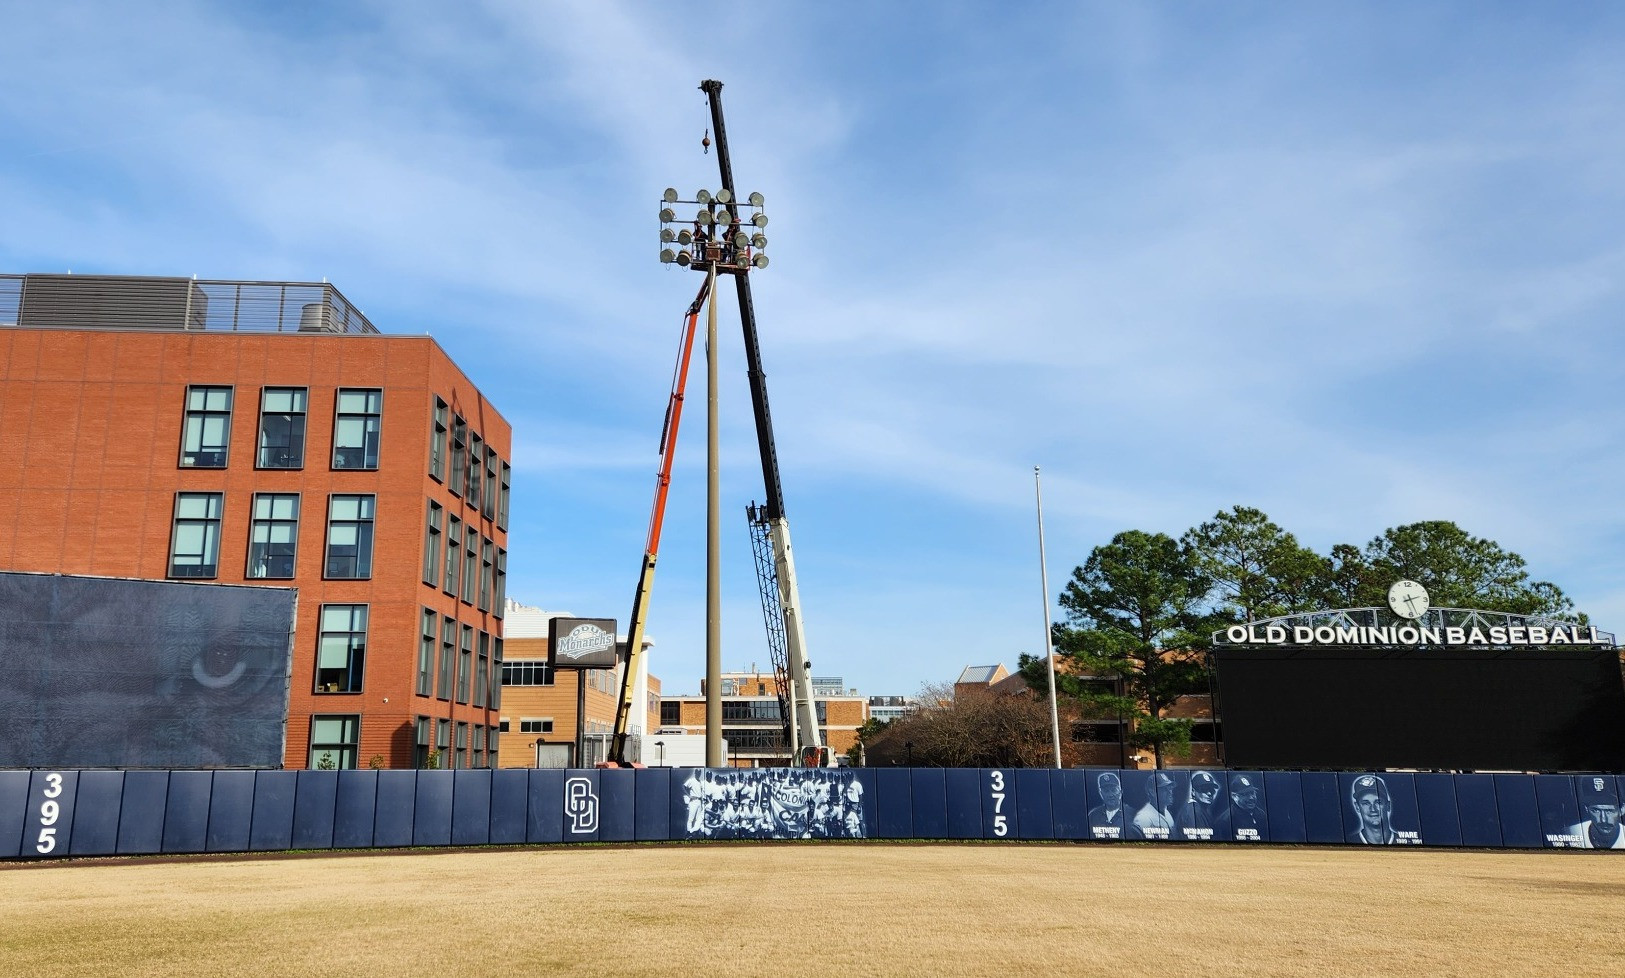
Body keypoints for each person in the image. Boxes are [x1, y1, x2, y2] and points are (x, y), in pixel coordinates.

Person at [1564, 777, 1624, 849]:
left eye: (1609, 811)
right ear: (1587, 809)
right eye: (1596, 811)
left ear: (1622, 809)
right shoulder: (1572, 831)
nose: (1603, 819)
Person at [1178, 770, 1230, 840]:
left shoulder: (1198, 809)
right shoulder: (1194, 811)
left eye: (1212, 790)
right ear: (1193, 791)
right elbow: (1199, 841)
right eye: (1204, 789)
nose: (1209, 793)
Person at [1347, 774, 1397, 844]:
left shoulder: (1404, 841)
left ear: (1388, 805)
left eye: (1378, 802)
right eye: (1366, 803)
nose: (1373, 809)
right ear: (1357, 807)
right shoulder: (1350, 842)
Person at [1131, 772, 1177, 839]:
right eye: (1165, 789)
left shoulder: (1166, 812)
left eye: (1170, 788)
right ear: (1152, 792)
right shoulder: (1143, 818)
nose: (1170, 792)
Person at [1087, 772, 1128, 837]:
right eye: (1106, 791)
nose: (1110, 795)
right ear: (1101, 794)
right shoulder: (1093, 815)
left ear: (1120, 792)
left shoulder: (1132, 814)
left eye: (1114, 790)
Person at [1229, 774, 1266, 840]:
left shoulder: (1261, 814)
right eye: (1245, 794)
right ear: (1234, 796)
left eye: (1252, 793)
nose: (1251, 798)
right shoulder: (1226, 820)